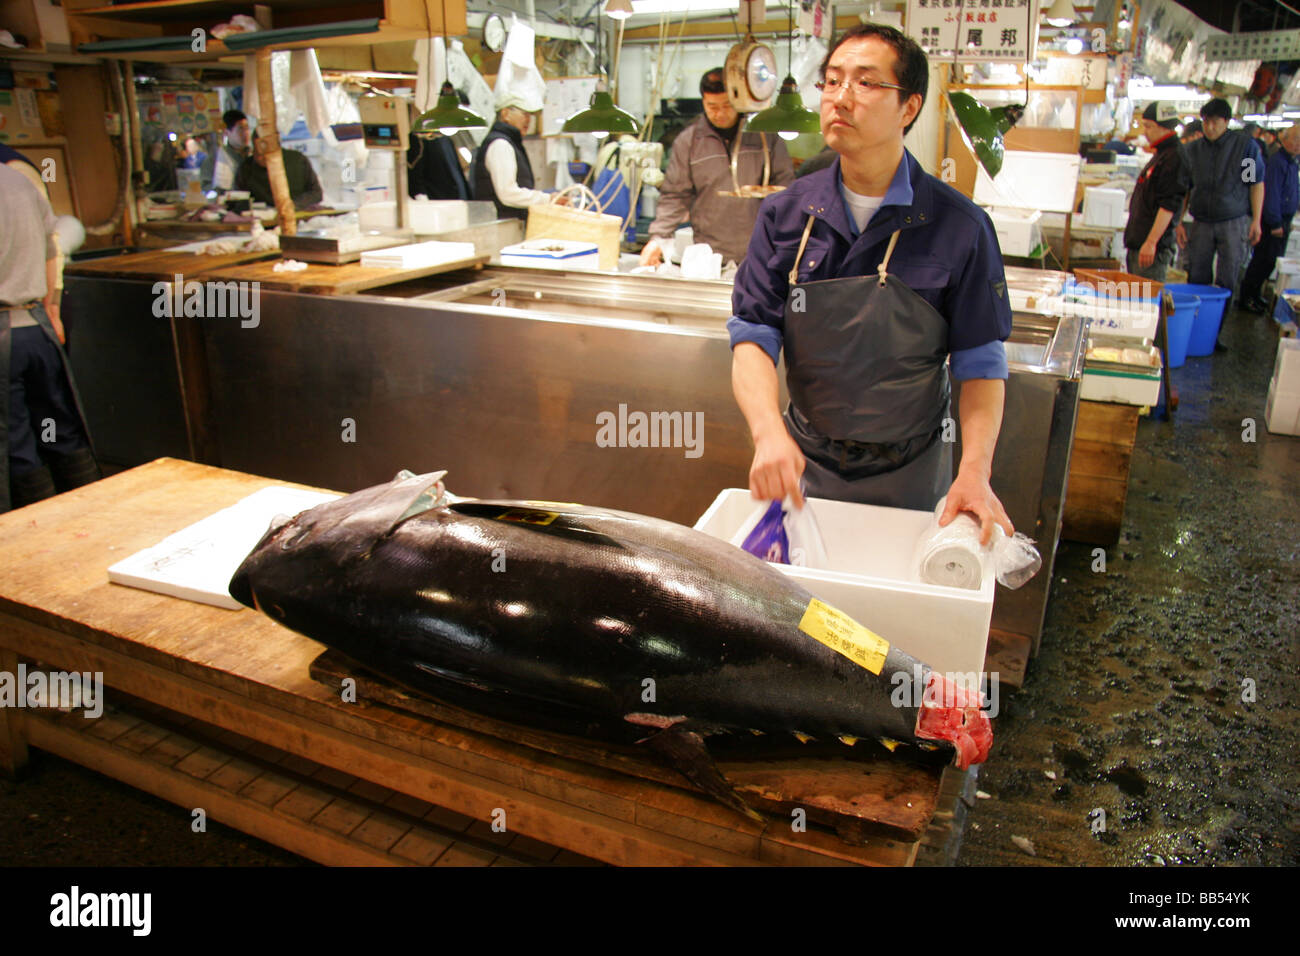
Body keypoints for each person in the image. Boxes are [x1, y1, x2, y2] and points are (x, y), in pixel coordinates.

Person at [728, 23, 1013, 543]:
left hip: (913, 471)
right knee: (800, 611)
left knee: (893, 613)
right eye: (832, 81)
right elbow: (754, 333)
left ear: (909, 108)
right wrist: (768, 432)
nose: (840, 97)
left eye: (865, 83)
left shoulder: (960, 227)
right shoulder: (785, 214)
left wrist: (974, 469)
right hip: (802, 464)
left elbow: (979, 361)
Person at [1, 163, 97, 512]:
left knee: (16, 443)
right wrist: (52, 308)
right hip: (38, 333)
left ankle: (37, 536)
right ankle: (88, 515)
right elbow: (52, 250)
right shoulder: (20, 181)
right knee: (55, 429)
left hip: (3, 338)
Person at [640, 68, 795, 268]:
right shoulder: (689, 142)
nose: (720, 113)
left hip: (761, 253)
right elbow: (674, 196)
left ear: (737, 101)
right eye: (712, 106)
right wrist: (658, 239)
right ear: (703, 101)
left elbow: (787, 189)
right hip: (709, 258)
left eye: (726, 105)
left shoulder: (765, 136)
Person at [1175, 98, 1265, 326]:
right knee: (1197, 276)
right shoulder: (1192, 150)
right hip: (1201, 221)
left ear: (1226, 121)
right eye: (1206, 121)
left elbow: (1254, 183)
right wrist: (1177, 222)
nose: (1210, 127)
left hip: (1233, 221)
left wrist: (1256, 220)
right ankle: (1194, 326)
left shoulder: (1245, 147)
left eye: (1215, 122)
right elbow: (1185, 188)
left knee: (1228, 277)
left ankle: (1216, 330)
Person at [1122, 102, 1189, 282]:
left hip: (1151, 250)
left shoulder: (1174, 157)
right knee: (1135, 303)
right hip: (1140, 244)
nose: (1145, 132)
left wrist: (1151, 242)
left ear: (1165, 128)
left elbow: (1168, 205)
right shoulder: (1163, 154)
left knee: (1145, 304)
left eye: (1149, 126)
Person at [470, 91, 559, 220]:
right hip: (501, 230)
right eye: (524, 114)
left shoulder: (510, 143)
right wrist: (547, 199)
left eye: (530, 115)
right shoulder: (500, 144)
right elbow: (508, 193)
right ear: (505, 114)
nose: (528, 120)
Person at [1240, 125, 1300, 312]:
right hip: (1273, 221)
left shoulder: (1292, 162)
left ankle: (1255, 295)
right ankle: (1246, 297)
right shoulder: (1277, 162)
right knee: (1262, 260)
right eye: (1296, 140)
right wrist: (1274, 222)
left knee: (1271, 261)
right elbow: (1271, 193)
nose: (1298, 145)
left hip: (1284, 219)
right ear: (1285, 139)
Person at [234, 131, 324, 209]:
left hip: (298, 219)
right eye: (259, 153)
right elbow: (238, 199)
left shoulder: (298, 160)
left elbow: (316, 193)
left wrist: (293, 205)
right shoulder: (246, 168)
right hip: (262, 223)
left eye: (267, 152)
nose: (264, 157)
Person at [210, 109, 251, 192]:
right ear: (226, 133)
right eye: (240, 129)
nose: (245, 133)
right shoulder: (214, 160)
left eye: (247, 128)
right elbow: (208, 190)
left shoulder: (253, 156)